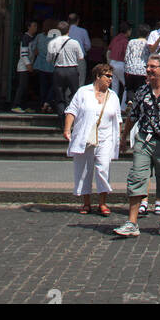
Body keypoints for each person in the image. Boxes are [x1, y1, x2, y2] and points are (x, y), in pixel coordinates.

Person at [113, 55, 160, 238]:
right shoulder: (141, 92)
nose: (148, 69)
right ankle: (132, 222)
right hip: (144, 140)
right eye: (147, 66)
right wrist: (124, 137)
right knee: (137, 176)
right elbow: (133, 116)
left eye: (153, 67)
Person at [64, 63, 123, 215]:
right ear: (98, 76)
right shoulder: (83, 92)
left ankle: (102, 203)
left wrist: (120, 138)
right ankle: (86, 203)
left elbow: (118, 119)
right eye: (107, 76)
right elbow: (72, 111)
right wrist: (67, 129)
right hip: (85, 137)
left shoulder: (113, 96)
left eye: (111, 76)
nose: (110, 79)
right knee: (84, 169)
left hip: (105, 138)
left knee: (103, 168)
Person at [48, 20, 84, 123]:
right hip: (72, 70)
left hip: (58, 70)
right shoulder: (75, 42)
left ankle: (62, 120)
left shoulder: (53, 43)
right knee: (74, 94)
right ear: (69, 30)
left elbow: (49, 59)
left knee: (59, 97)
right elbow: (81, 57)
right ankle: (72, 117)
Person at [11, 19, 38, 112]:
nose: (35, 28)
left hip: (29, 66)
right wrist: (28, 64)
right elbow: (23, 53)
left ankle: (24, 106)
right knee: (22, 87)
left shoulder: (32, 38)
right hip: (24, 67)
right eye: (34, 25)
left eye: (36, 26)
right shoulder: (25, 38)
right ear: (29, 27)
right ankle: (16, 105)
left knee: (26, 87)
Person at [32, 17, 57, 113]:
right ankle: (48, 102)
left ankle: (43, 104)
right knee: (53, 85)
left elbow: (34, 48)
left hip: (41, 64)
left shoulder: (39, 36)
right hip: (52, 65)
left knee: (43, 86)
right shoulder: (55, 37)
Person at [123, 23, 150, 97]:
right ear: (148, 33)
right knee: (141, 90)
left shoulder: (131, 42)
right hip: (142, 70)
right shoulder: (148, 44)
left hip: (130, 69)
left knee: (130, 89)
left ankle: (130, 102)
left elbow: (126, 57)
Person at [107, 21, 131, 103]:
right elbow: (127, 55)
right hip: (121, 64)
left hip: (112, 62)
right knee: (127, 86)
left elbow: (109, 50)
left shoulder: (115, 38)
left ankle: (113, 105)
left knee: (114, 86)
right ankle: (123, 107)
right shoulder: (125, 41)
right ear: (128, 31)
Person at [68, 13, 91, 85]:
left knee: (68, 81)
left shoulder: (64, 31)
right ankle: (79, 95)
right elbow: (88, 46)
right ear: (78, 21)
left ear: (68, 21)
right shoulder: (83, 31)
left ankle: (67, 96)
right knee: (81, 80)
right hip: (79, 58)